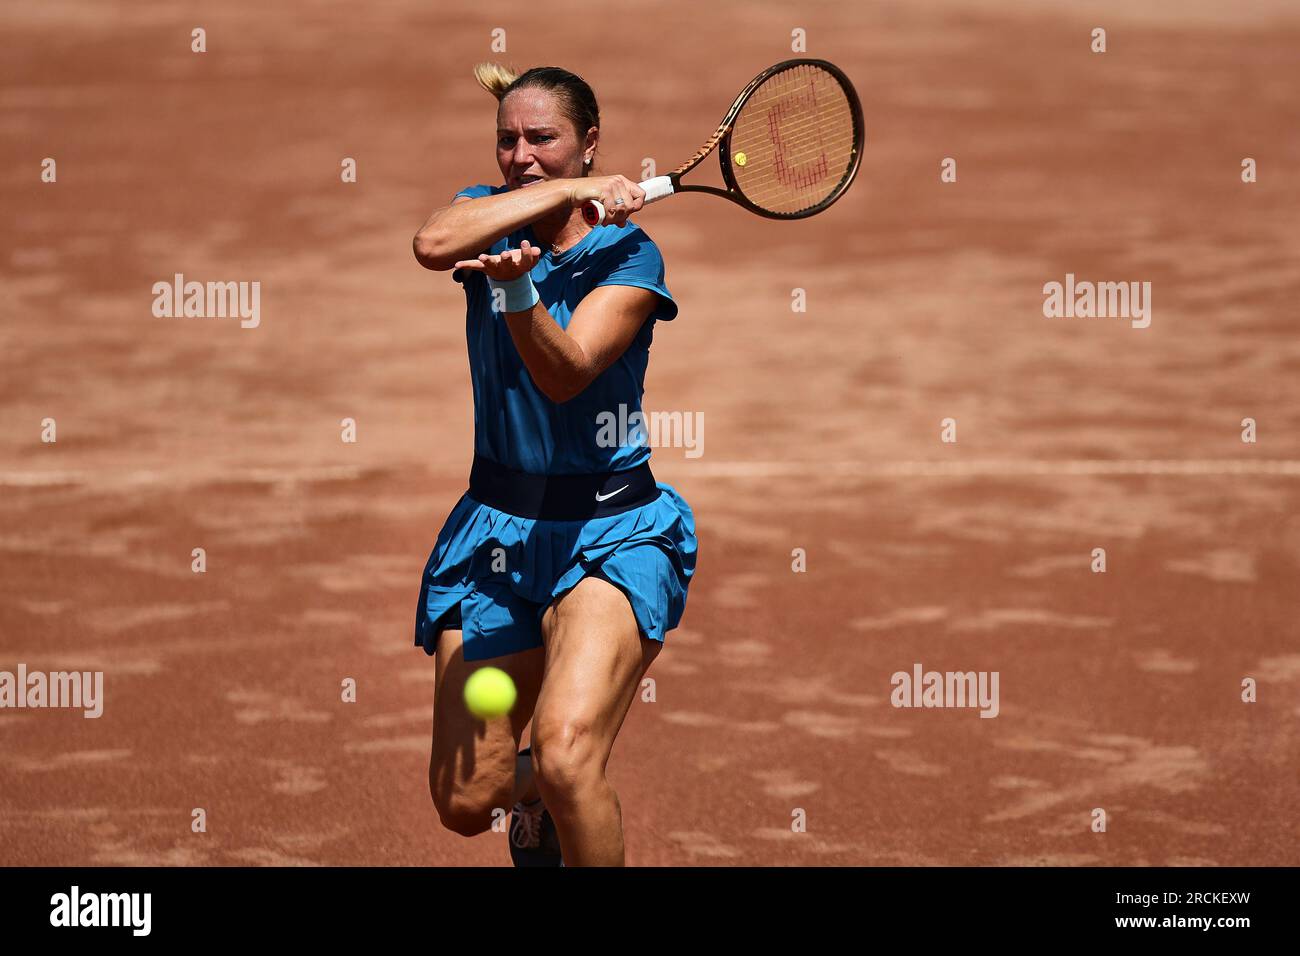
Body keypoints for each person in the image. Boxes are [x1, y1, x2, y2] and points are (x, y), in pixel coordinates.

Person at [411, 62, 697, 867]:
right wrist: (565, 195)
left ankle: (553, 786)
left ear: (590, 142)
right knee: (467, 804)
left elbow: (566, 372)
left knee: (572, 759)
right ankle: (523, 788)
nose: (521, 155)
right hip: (495, 539)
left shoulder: (631, 260)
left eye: (543, 139)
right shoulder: (481, 217)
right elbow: (430, 243)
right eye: (508, 141)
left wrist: (517, 294)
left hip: (609, 532)